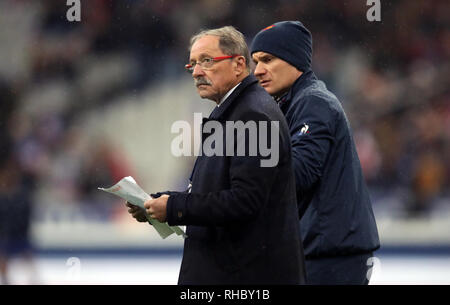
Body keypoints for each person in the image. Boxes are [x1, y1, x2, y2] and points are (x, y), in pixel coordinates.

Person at [126, 26, 306, 285]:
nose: (197, 72)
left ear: (238, 64)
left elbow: (245, 201)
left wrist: (174, 209)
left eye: (207, 61)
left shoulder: (253, 116)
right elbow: (213, 191)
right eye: (193, 64)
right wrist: (158, 203)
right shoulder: (235, 112)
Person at [251, 21, 380, 285]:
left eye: (267, 59)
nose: (258, 71)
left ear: (294, 59)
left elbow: (299, 173)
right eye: (255, 62)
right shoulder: (294, 104)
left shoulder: (313, 102)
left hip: (330, 257)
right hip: (320, 252)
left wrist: (246, 167)